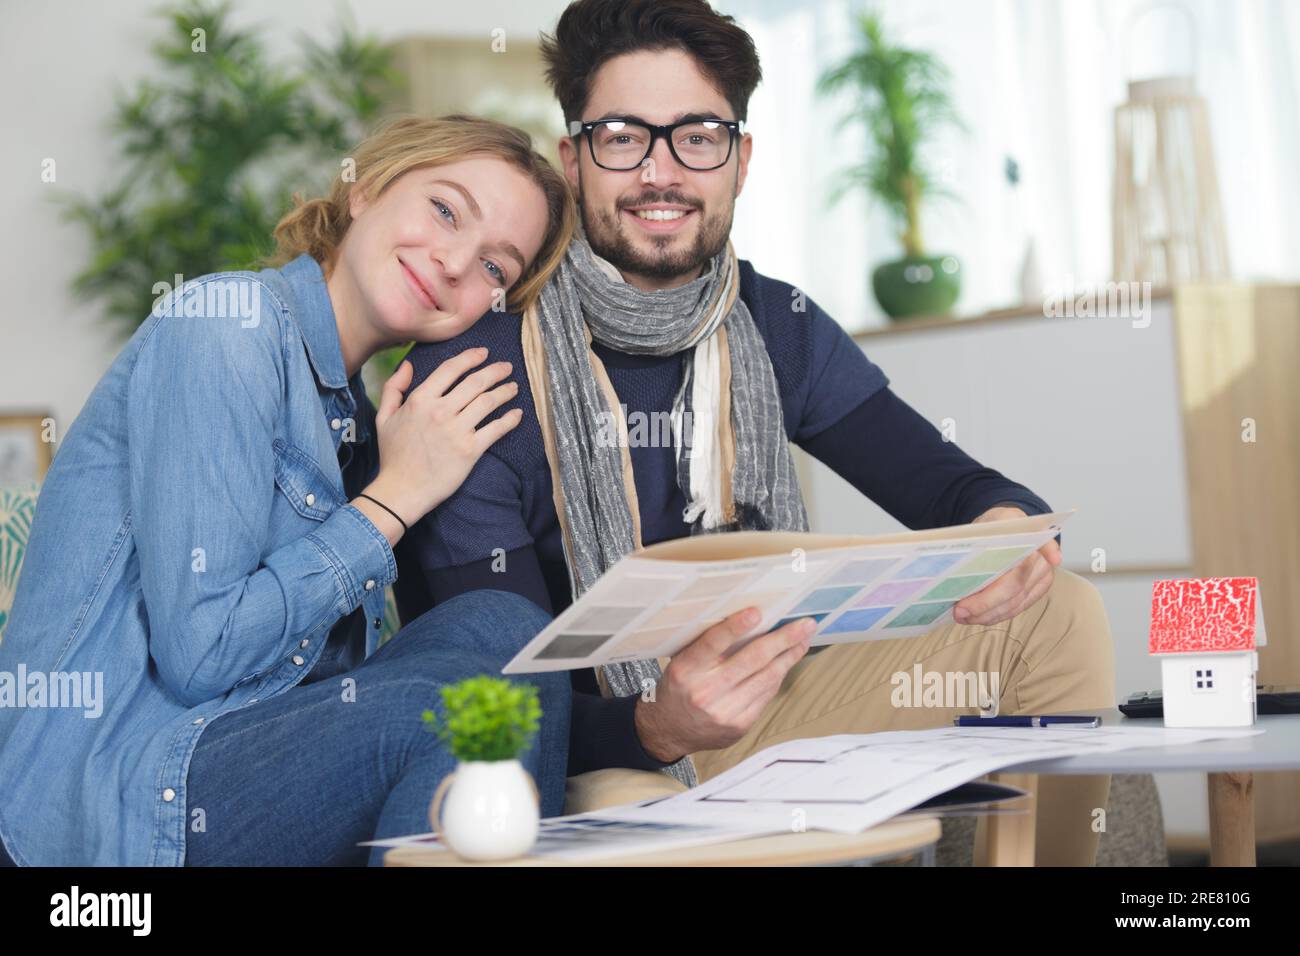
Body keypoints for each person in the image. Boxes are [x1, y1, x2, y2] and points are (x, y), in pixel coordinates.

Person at [394, 0, 1117, 865]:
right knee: (651, 817)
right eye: (623, 137)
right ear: (574, 160)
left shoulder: (778, 323)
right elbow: (490, 701)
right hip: (594, 750)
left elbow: (953, 486)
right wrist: (654, 724)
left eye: (696, 136)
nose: (660, 173)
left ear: (740, 160)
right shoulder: (478, 369)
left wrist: (1007, 525)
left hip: (777, 694)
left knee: (1058, 607)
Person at [0, 114, 577, 866]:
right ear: (365, 189)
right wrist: (392, 502)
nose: (455, 263)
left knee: (511, 642)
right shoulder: (227, 330)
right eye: (444, 210)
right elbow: (200, 656)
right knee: (439, 716)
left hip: (228, 755)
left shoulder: (357, 418)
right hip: (113, 811)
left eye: (497, 268)